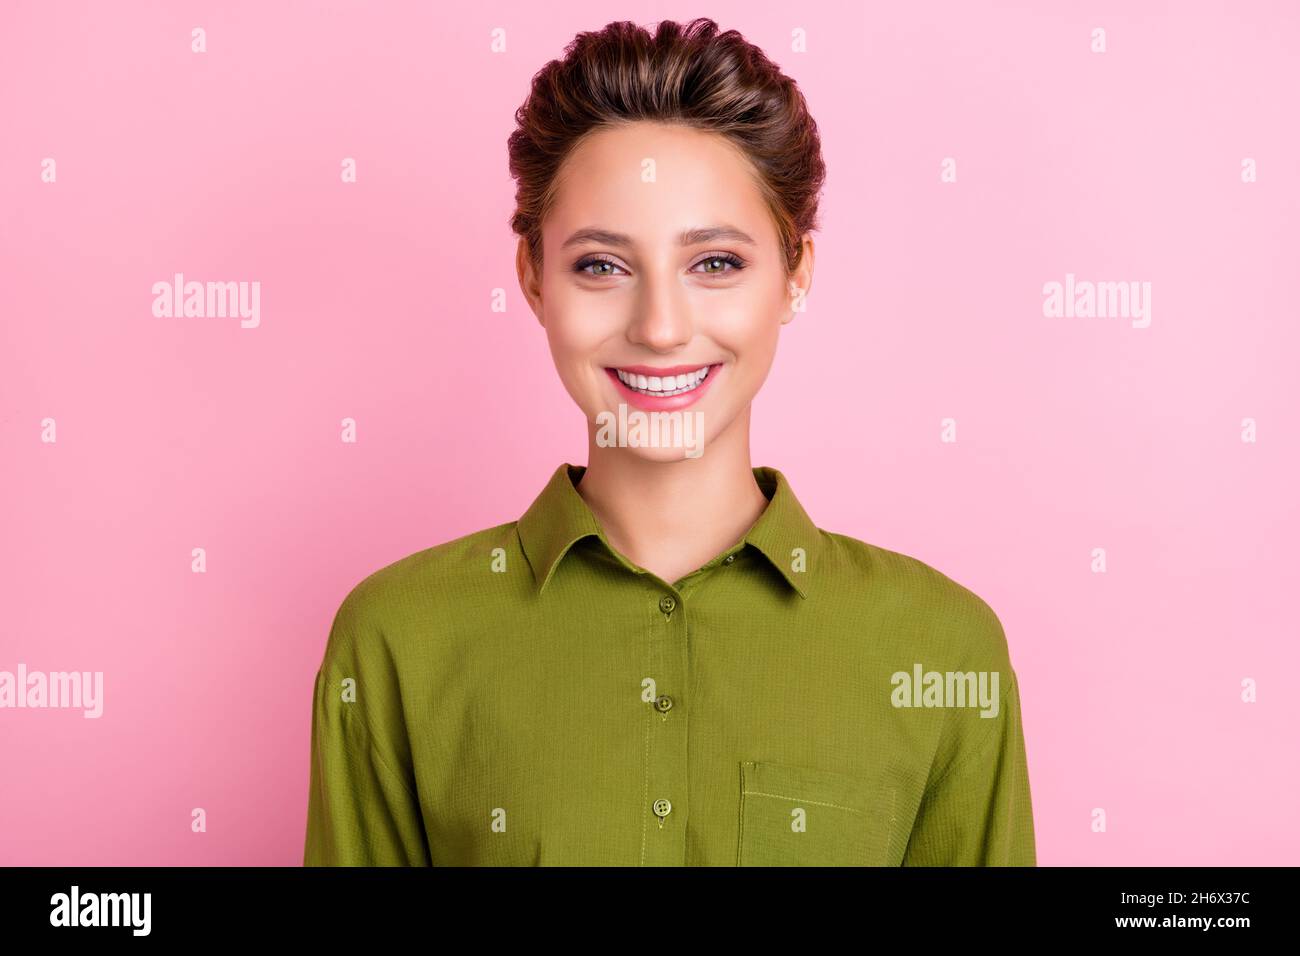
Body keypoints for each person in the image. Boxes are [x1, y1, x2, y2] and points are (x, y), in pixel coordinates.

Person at [304, 17, 1035, 866]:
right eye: (602, 266)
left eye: (716, 263)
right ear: (535, 279)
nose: (659, 328)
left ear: (794, 275)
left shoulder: (942, 651)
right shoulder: (396, 639)